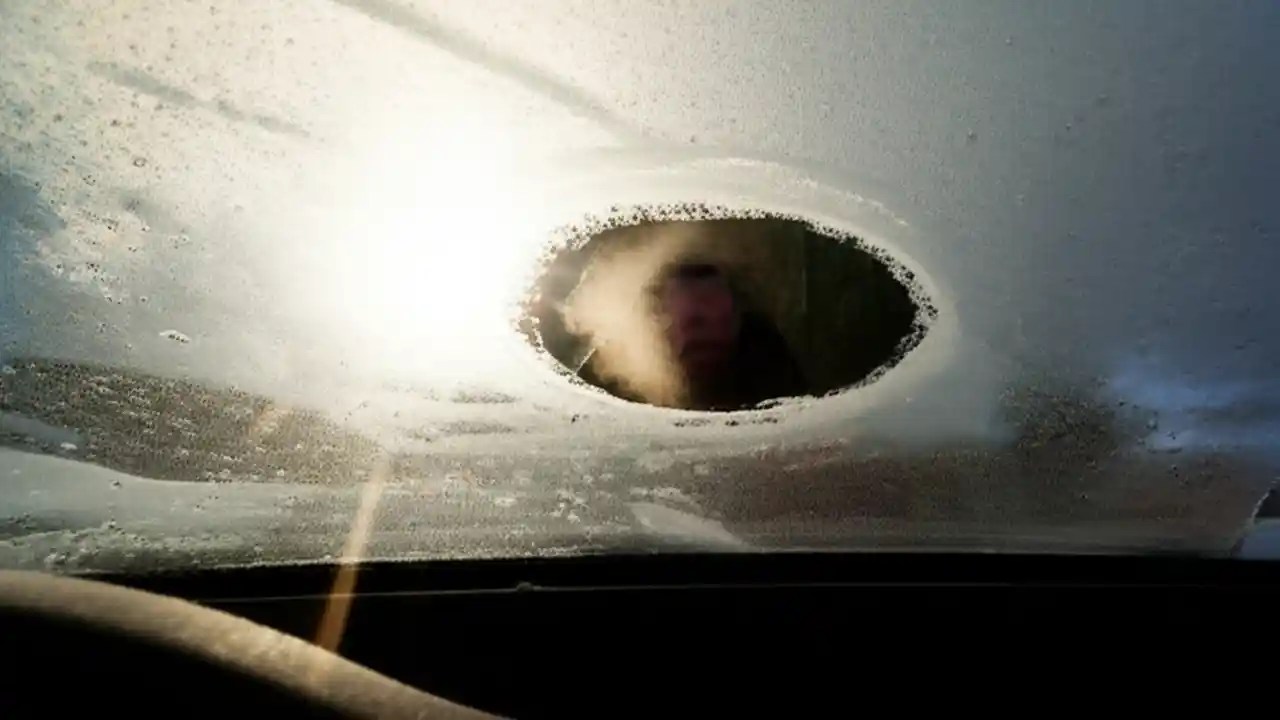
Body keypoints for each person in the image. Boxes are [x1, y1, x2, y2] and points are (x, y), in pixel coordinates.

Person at [581, 262, 808, 410]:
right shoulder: (610, 376)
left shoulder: (765, 357)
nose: (714, 335)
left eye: (724, 320)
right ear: (657, 321)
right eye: (695, 323)